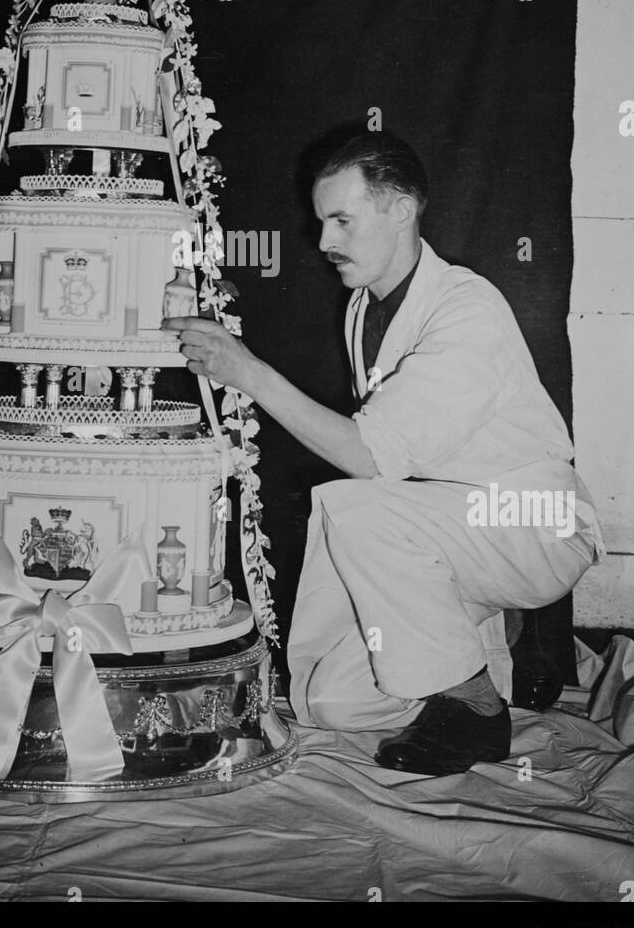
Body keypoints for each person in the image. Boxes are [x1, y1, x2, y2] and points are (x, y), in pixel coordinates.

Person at [163, 130, 604, 776]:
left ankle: (476, 709)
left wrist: (248, 373)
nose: (325, 243)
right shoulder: (362, 308)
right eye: (321, 223)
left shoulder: (466, 310)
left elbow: (372, 457)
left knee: (361, 509)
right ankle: (473, 668)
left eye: (342, 220)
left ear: (400, 209)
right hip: (445, 529)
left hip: (532, 523)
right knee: (327, 697)